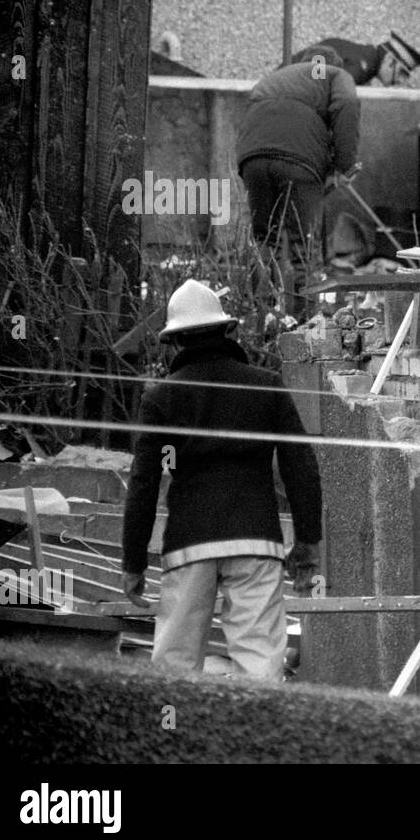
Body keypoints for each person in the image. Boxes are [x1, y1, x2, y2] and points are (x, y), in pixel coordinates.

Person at [121, 279, 323, 680]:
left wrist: (134, 561)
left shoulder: (162, 397)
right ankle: (258, 741)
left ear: (174, 342)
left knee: (174, 666)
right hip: (256, 539)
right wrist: (307, 543)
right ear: (226, 331)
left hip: (188, 544)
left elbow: (143, 481)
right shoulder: (265, 386)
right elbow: (300, 466)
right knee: (261, 663)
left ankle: (173, 733)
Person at [236, 45, 361, 318]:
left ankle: (259, 319)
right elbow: (347, 104)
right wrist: (344, 165)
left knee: (262, 237)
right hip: (299, 160)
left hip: (252, 157)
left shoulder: (276, 77)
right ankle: (307, 327)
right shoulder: (336, 74)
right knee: (304, 247)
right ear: (334, 62)